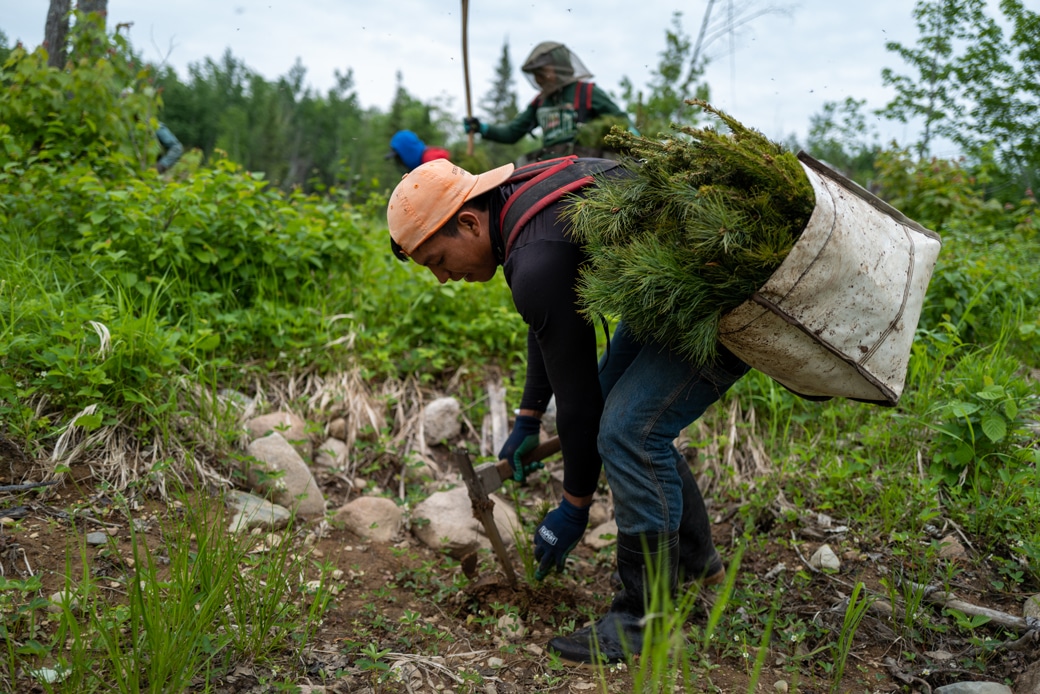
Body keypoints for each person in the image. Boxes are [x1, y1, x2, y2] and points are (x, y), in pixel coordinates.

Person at [386, 157, 749, 663]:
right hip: (674, 289)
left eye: (437, 261)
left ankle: (645, 619)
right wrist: (528, 419)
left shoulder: (535, 255)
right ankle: (696, 561)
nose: (444, 278)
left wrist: (575, 506)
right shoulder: (518, 203)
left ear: (468, 222)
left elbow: (580, 404)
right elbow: (552, 319)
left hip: (732, 297)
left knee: (628, 431)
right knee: (624, 418)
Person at [462, 41, 636, 163]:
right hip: (549, 165)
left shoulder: (587, 92)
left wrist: (637, 142)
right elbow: (511, 133)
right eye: (535, 75)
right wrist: (482, 128)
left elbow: (620, 121)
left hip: (586, 164)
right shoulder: (540, 101)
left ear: (561, 67)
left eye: (542, 72)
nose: (538, 79)